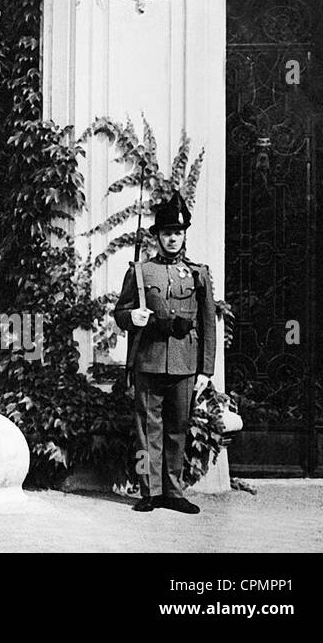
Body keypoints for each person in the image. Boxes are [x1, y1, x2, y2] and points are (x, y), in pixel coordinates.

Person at [113, 190, 217, 514]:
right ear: (157, 236)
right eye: (167, 233)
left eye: (178, 233)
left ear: (184, 235)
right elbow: (120, 313)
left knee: (178, 429)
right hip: (149, 360)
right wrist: (132, 317)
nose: (173, 239)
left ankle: (174, 491)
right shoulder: (141, 272)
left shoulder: (198, 273)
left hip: (185, 363)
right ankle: (149, 491)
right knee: (148, 431)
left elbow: (207, 323)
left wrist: (206, 370)